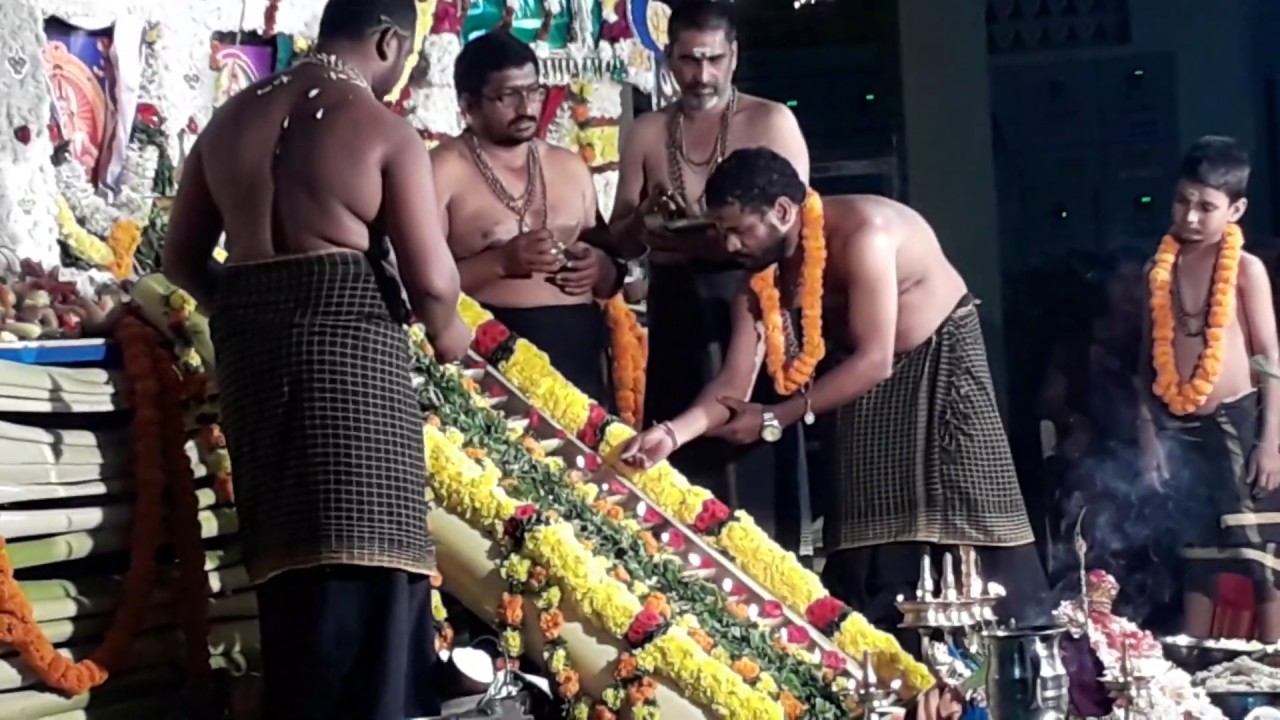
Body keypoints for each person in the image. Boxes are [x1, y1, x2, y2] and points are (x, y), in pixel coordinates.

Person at [162, 0, 470, 716]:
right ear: (391, 41)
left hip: (256, 375)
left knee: (291, 583)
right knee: (373, 578)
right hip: (356, 376)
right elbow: (432, 280)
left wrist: (249, 310)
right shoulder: (383, 131)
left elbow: (181, 258)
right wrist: (447, 331)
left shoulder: (231, 117)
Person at [618, 148, 1046, 640]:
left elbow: (875, 358)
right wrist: (671, 435)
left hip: (937, 369)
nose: (729, 243)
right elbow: (732, 386)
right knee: (866, 541)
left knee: (966, 526)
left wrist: (776, 416)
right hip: (856, 389)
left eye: (739, 229)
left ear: (782, 211)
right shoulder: (760, 276)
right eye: (720, 230)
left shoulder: (866, 234)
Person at [609, 0, 810, 546]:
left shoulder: (771, 121)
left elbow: (799, 233)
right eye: (689, 61)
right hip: (678, 306)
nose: (702, 75)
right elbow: (620, 236)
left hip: (753, 300)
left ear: (734, 56)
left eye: (713, 60)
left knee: (753, 468)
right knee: (683, 469)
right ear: (668, 59)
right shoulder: (650, 131)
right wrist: (649, 221)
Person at [1136, 136, 1280, 641]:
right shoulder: (1159, 270)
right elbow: (1145, 364)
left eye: (1206, 207)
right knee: (1195, 554)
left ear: (1235, 209)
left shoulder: (1245, 269)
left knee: (1260, 553)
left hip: (1241, 422)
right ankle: (1194, 666)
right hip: (1178, 426)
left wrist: (1271, 441)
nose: (1191, 217)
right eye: (1182, 201)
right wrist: (1150, 438)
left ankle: (1272, 669)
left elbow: (1269, 358)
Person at [430, 30, 621, 403]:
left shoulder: (570, 167)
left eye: (534, 91)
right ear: (468, 104)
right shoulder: (441, 171)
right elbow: (417, 285)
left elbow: (612, 275)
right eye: (507, 96)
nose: (527, 106)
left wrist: (600, 267)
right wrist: (500, 261)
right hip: (487, 359)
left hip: (579, 355)